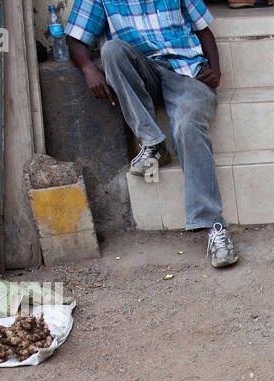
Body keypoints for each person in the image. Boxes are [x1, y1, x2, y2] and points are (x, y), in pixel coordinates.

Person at [65, 0, 239, 269]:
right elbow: (75, 39)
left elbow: (204, 29)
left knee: (186, 127)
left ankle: (214, 227)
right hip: (142, 72)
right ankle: (153, 142)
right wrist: (88, 67)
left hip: (187, 73)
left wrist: (215, 69)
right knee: (111, 50)